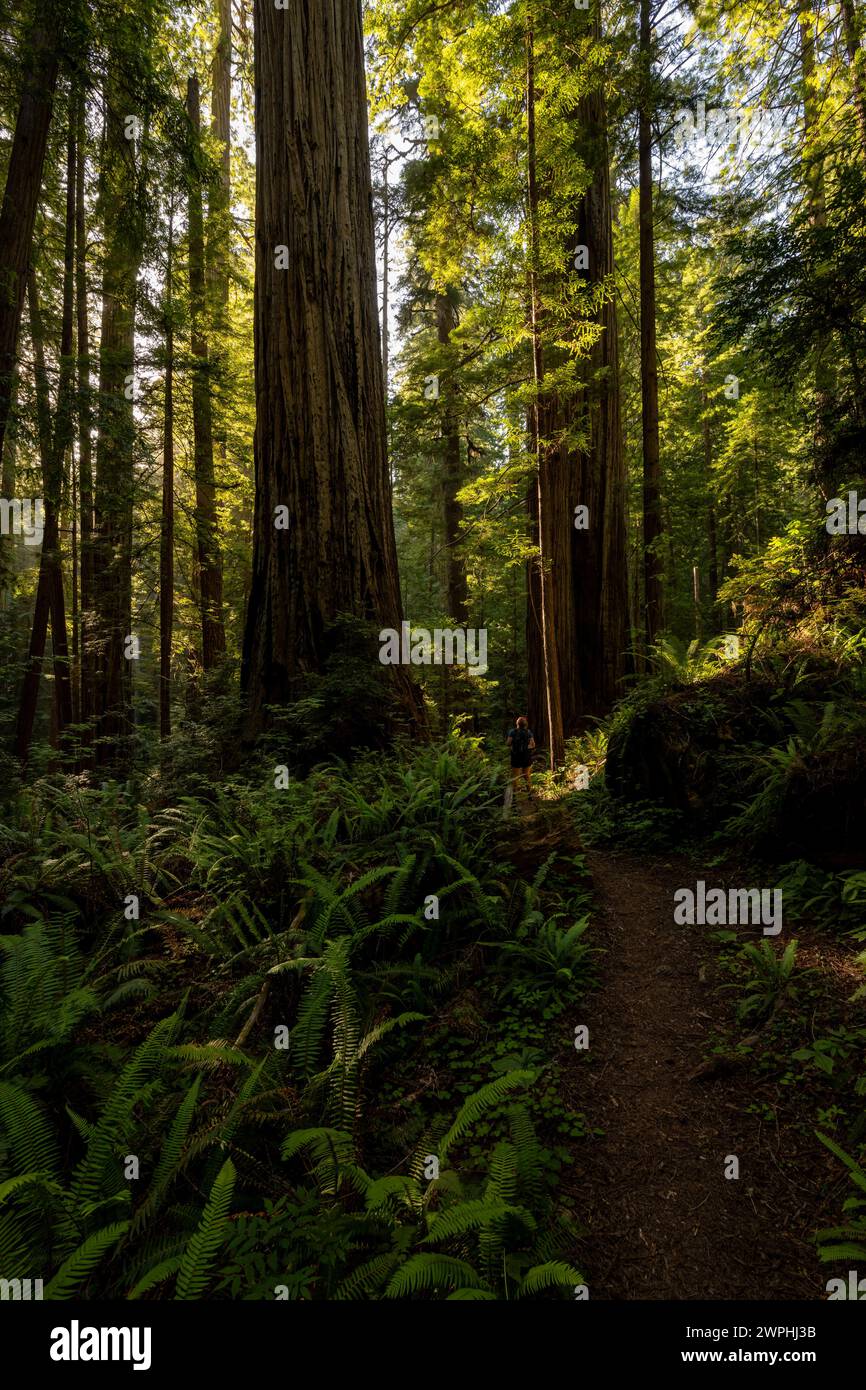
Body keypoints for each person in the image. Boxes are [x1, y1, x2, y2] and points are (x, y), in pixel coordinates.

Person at [506, 716, 536, 796]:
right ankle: (529, 792)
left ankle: (516, 794)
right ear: (525, 724)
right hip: (526, 756)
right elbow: (533, 745)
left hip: (516, 756)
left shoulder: (512, 732)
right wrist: (526, 747)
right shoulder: (528, 732)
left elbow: (508, 743)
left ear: (517, 724)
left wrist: (514, 746)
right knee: (526, 775)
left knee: (515, 776)